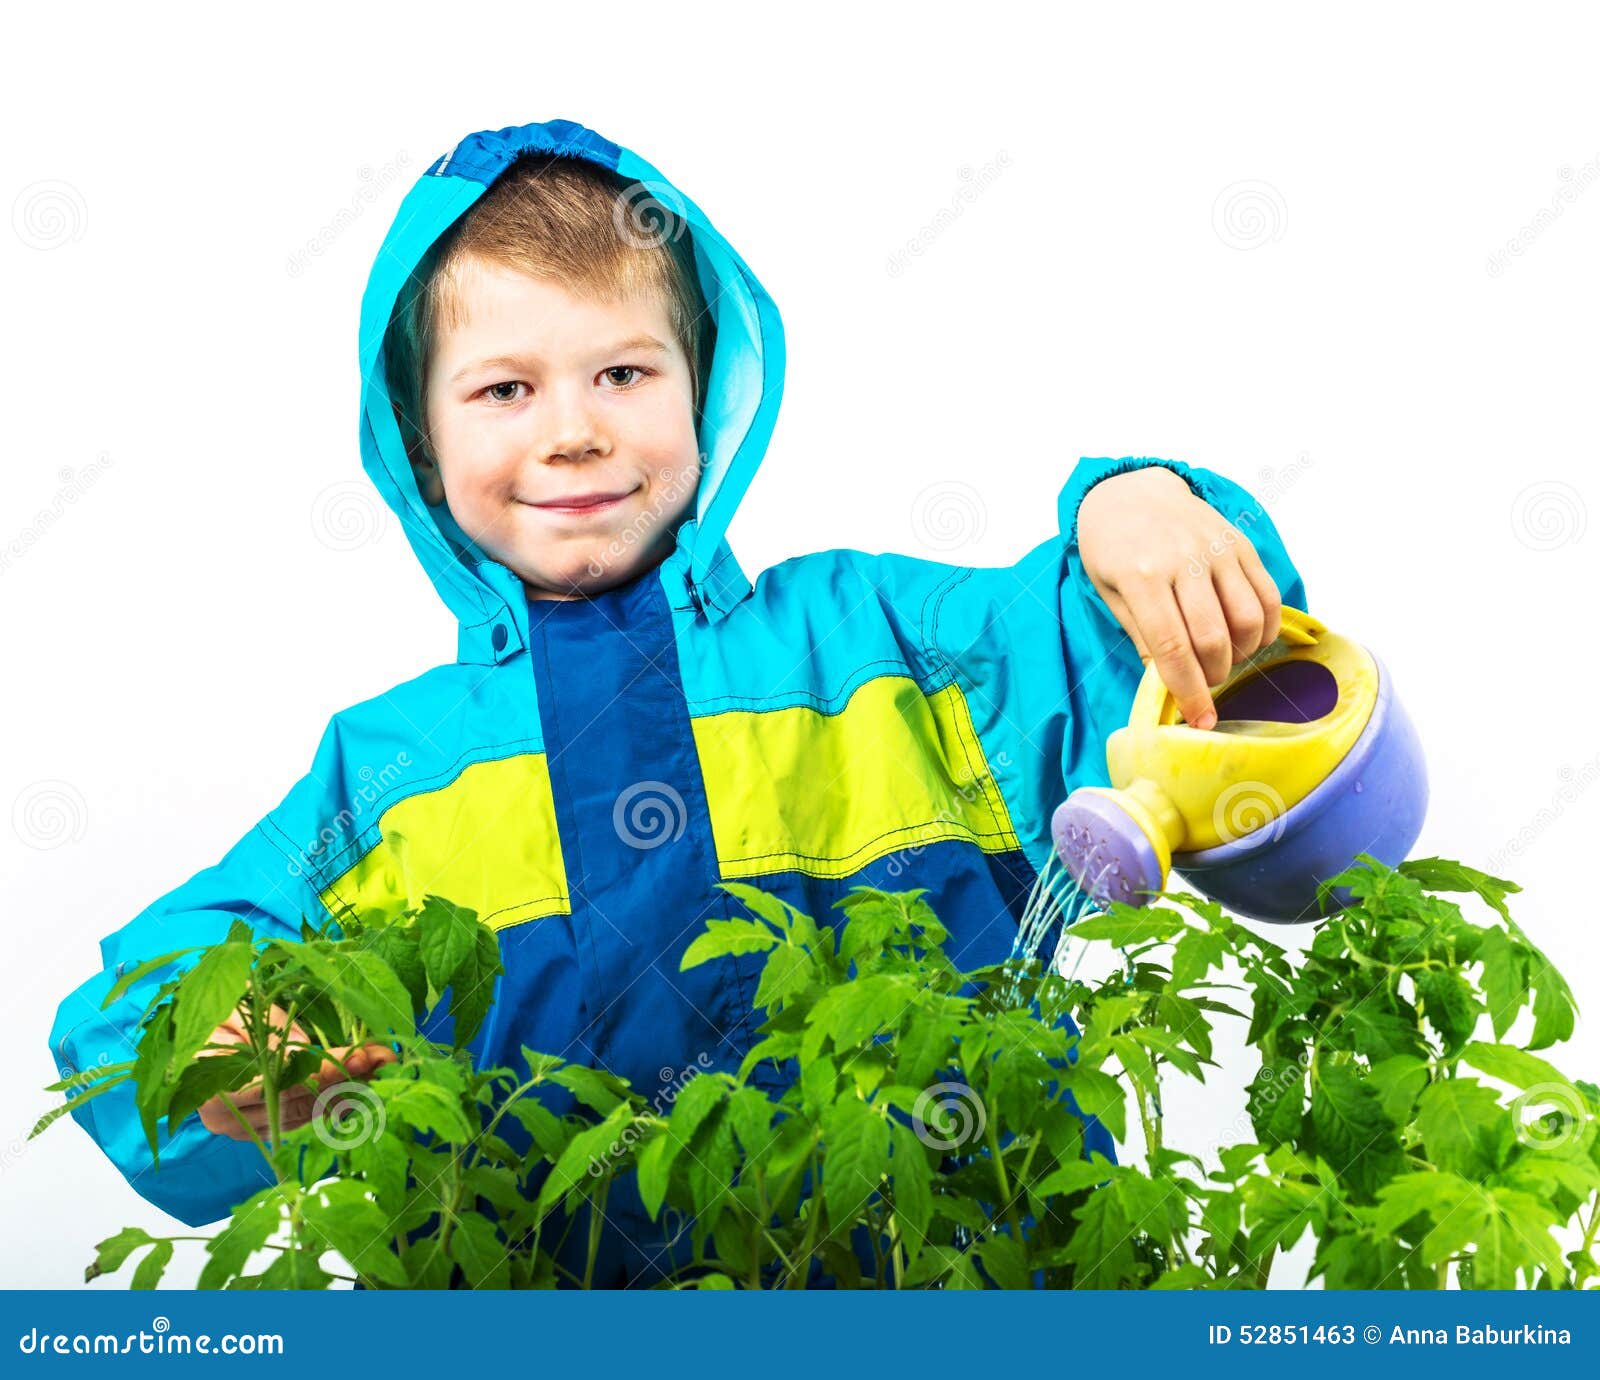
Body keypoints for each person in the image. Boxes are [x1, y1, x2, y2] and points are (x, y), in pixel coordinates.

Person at [48, 117, 1307, 1287]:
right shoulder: (388, 777)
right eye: (503, 390)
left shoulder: (880, 648)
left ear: (704, 391)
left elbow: (1177, 654)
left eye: (624, 374)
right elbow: (122, 1024)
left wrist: (1134, 505)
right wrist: (223, 1054)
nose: (574, 433)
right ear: (422, 444)